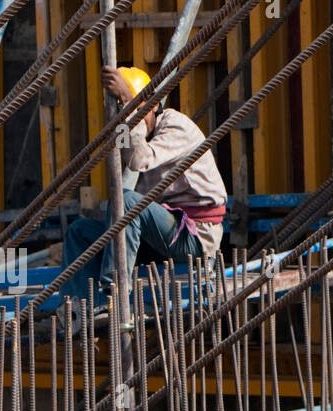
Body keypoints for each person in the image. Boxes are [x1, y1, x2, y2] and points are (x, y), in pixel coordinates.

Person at [61, 65, 227, 299]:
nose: (133, 121)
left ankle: (115, 291)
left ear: (154, 105)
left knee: (127, 201)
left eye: (138, 111)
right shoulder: (133, 135)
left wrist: (128, 102)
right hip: (159, 237)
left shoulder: (176, 126)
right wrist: (124, 116)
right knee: (79, 232)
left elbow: (139, 159)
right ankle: (82, 308)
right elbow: (128, 158)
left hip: (193, 237)